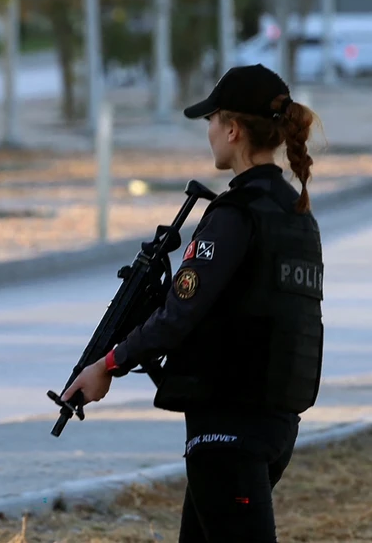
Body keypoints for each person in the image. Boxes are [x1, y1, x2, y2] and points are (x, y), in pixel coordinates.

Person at [61, 65, 325, 543]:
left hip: (229, 431)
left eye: (211, 121)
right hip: (273, 425)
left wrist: (109, 364)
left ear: (232, 129)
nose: (208, 133)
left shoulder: (234, 216)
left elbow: (178, 315)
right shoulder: (297, 214)